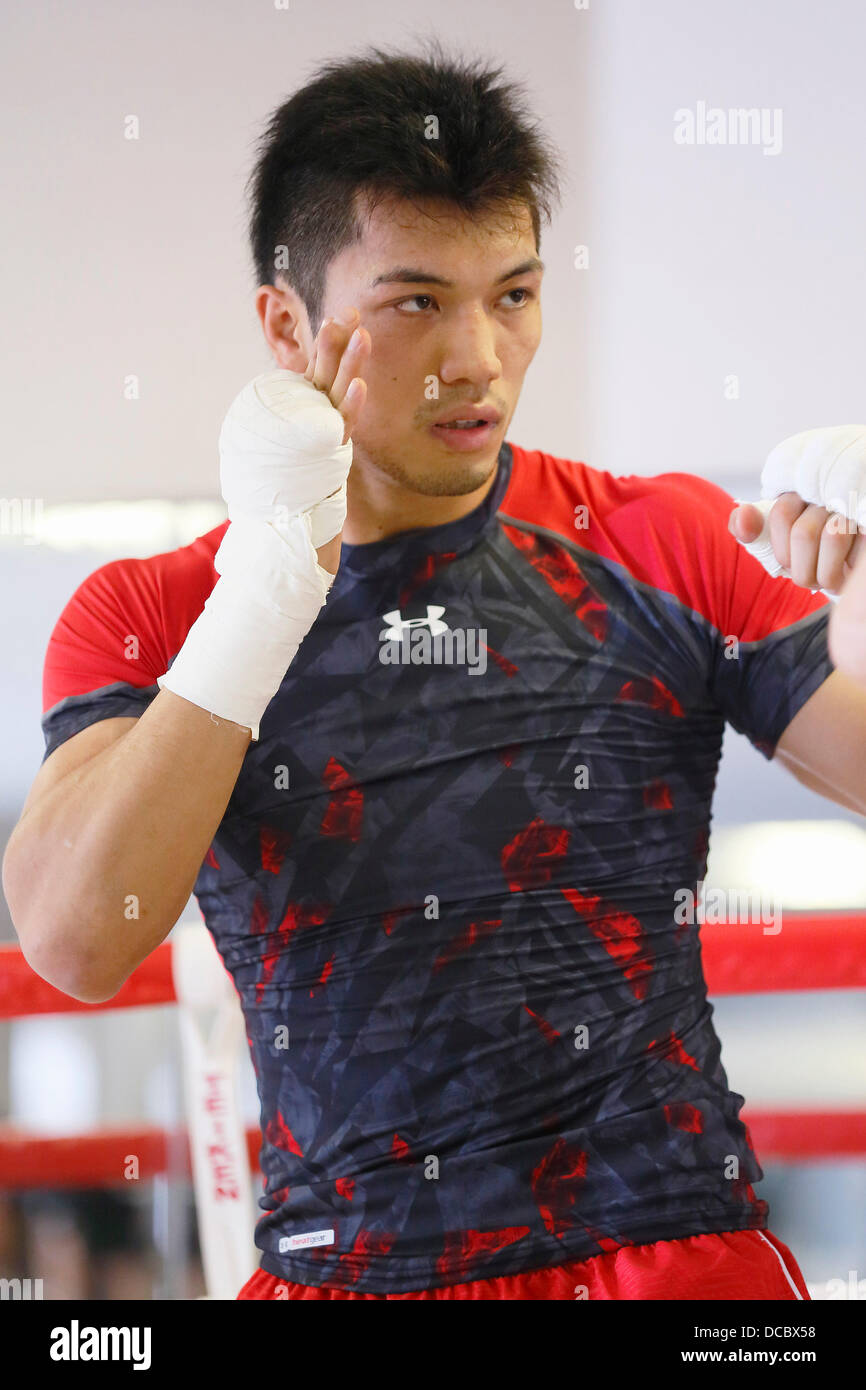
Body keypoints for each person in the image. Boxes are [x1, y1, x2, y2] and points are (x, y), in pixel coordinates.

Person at [6, 41, 863, 1301]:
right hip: (345, 1274)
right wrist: (265, 601)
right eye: (415, 301)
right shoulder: (156, 611)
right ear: (287, 325)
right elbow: (80, 940)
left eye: (511, 294)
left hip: (671, 1265)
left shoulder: (652, 538)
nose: (477, 357)